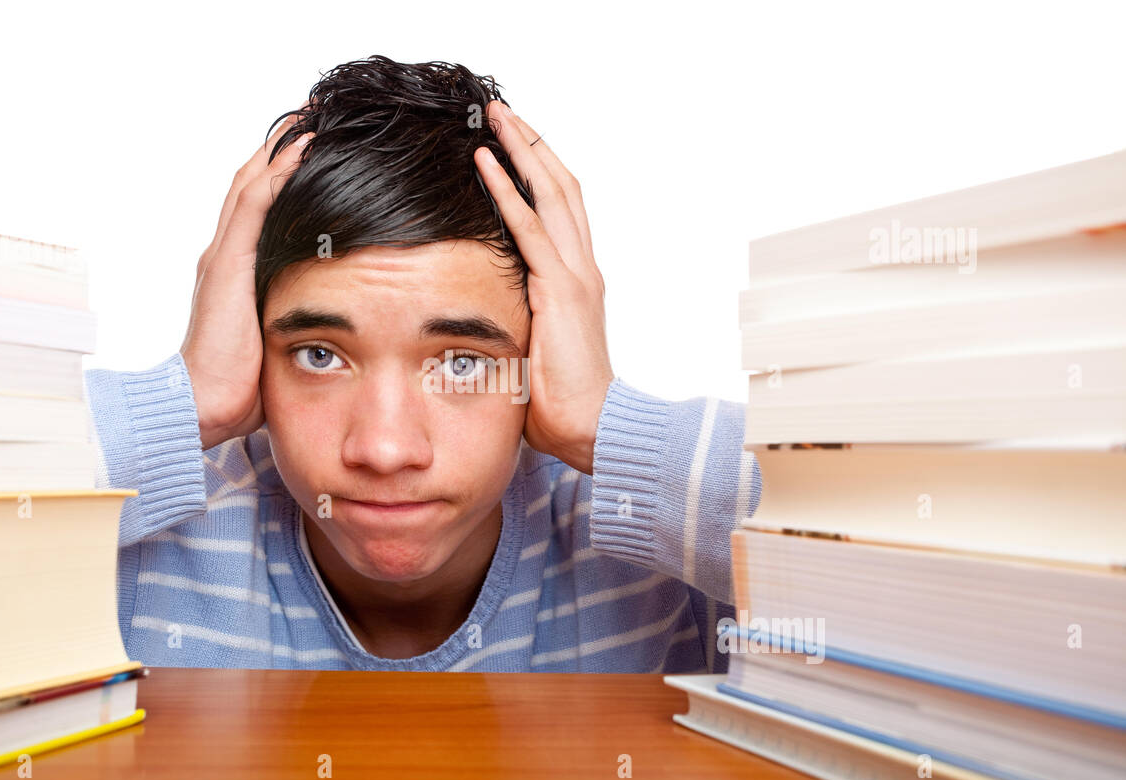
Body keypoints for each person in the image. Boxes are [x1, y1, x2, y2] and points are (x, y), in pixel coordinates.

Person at [83, 55, 760, 673]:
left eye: (462, 363)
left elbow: (858, 549)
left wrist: (601, 425)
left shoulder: (664, 528)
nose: (383, 449)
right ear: (256, 350)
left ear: (542, 354)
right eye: (319, 356)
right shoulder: (138, 527)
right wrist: (187, 402)